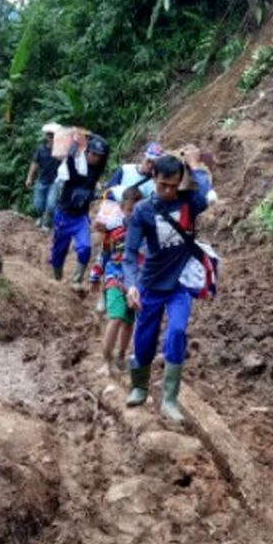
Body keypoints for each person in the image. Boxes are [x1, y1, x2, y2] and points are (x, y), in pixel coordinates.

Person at [123, 148, 213, 423]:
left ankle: (170, 400)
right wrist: (131, 286)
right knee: (145, 341)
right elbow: (129, 254)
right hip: (150, 282)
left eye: (174, 186)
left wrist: (194, 163)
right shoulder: (142, 210)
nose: (167, 191)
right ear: (153, 177)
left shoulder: (190, 202)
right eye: (163, 184)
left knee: (176, 332)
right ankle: (139, 385)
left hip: (180, 283)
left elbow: (207, 188)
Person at [92, 186, 143, 372]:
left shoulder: (145, 231)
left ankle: (121, 355)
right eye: (130, 210)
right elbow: (104, 253)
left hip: (136, 281)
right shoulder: (113, 230)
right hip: (114, 275)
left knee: (129, 321)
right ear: (122, 208)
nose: (132, 215)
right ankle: (106, 359)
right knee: (116, 317)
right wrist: (95, 275)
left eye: (136, 210)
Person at [51, 134, 109, 290]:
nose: (95, 158)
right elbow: (70, 156)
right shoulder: (75, 167)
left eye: (98, 156)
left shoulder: (97, 169)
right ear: (87, 152)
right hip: (64, 216)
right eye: (93, 154)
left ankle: (76, 281)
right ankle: (56, 280)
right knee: (59, 251)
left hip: (80, 217)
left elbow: (106, 147)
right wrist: (77, 142)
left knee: (85, 248)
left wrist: (90, 136)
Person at [26, 123, 62, 229]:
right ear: (47, 137)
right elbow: (35, 164)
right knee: (38, 205)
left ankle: (48, 222)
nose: (52, 138)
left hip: (55, 181)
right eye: (50, 136)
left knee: (51, 204)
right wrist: (29, 178)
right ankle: (42, 218)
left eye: (54, 136)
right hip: (42, 180)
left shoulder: (61, 151)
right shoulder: (41, 149)